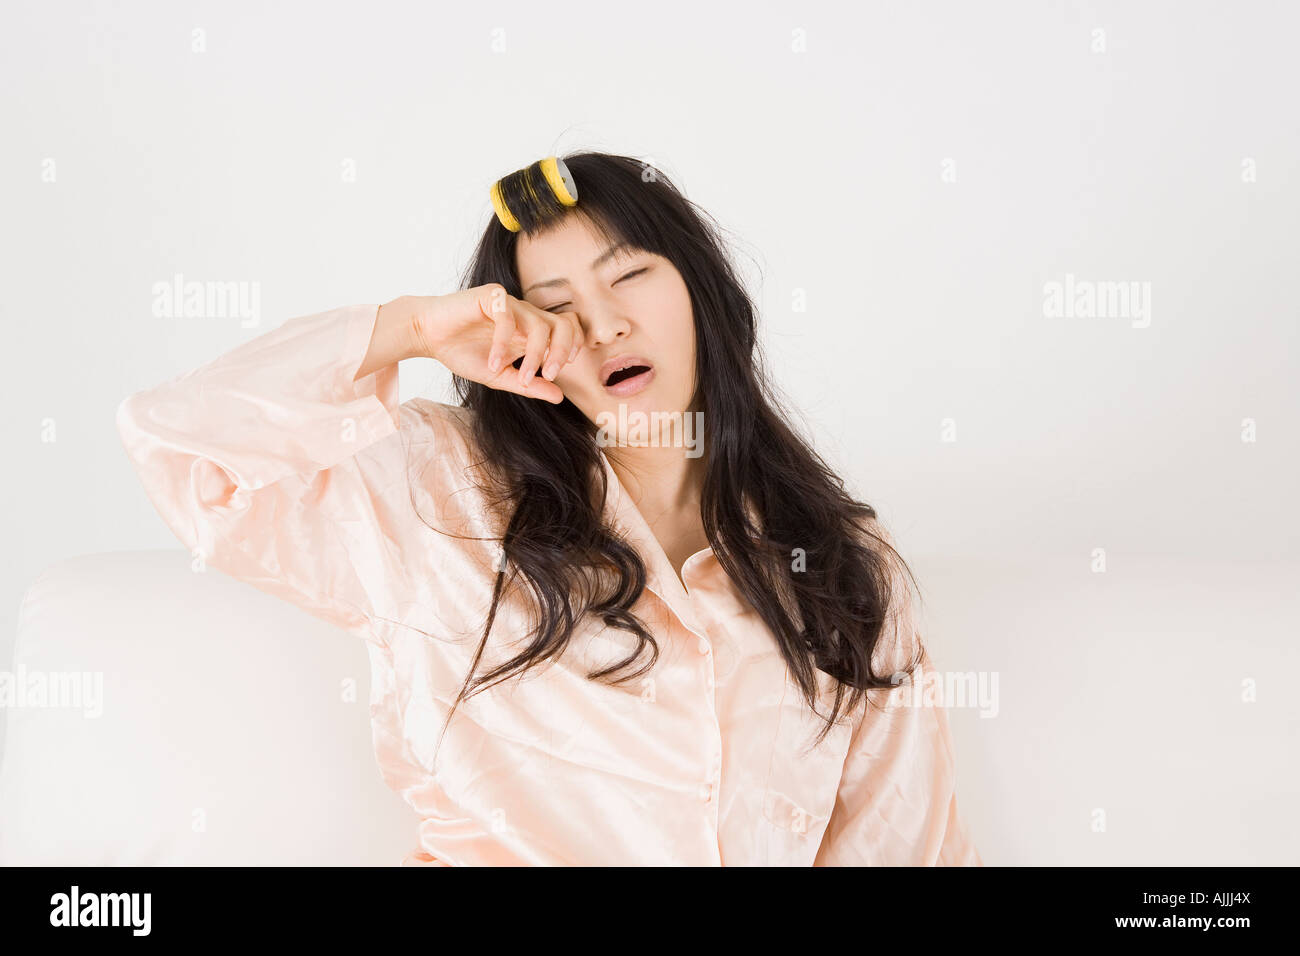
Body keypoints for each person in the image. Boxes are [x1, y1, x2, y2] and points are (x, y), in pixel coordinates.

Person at [116, 151, 982, 866]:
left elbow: (906, 845)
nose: (602, 325)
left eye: (630, 277)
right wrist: (414, 328)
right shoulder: (434, 487)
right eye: (557, 309)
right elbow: (188, 452)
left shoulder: (840, 561)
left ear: (702, 293)